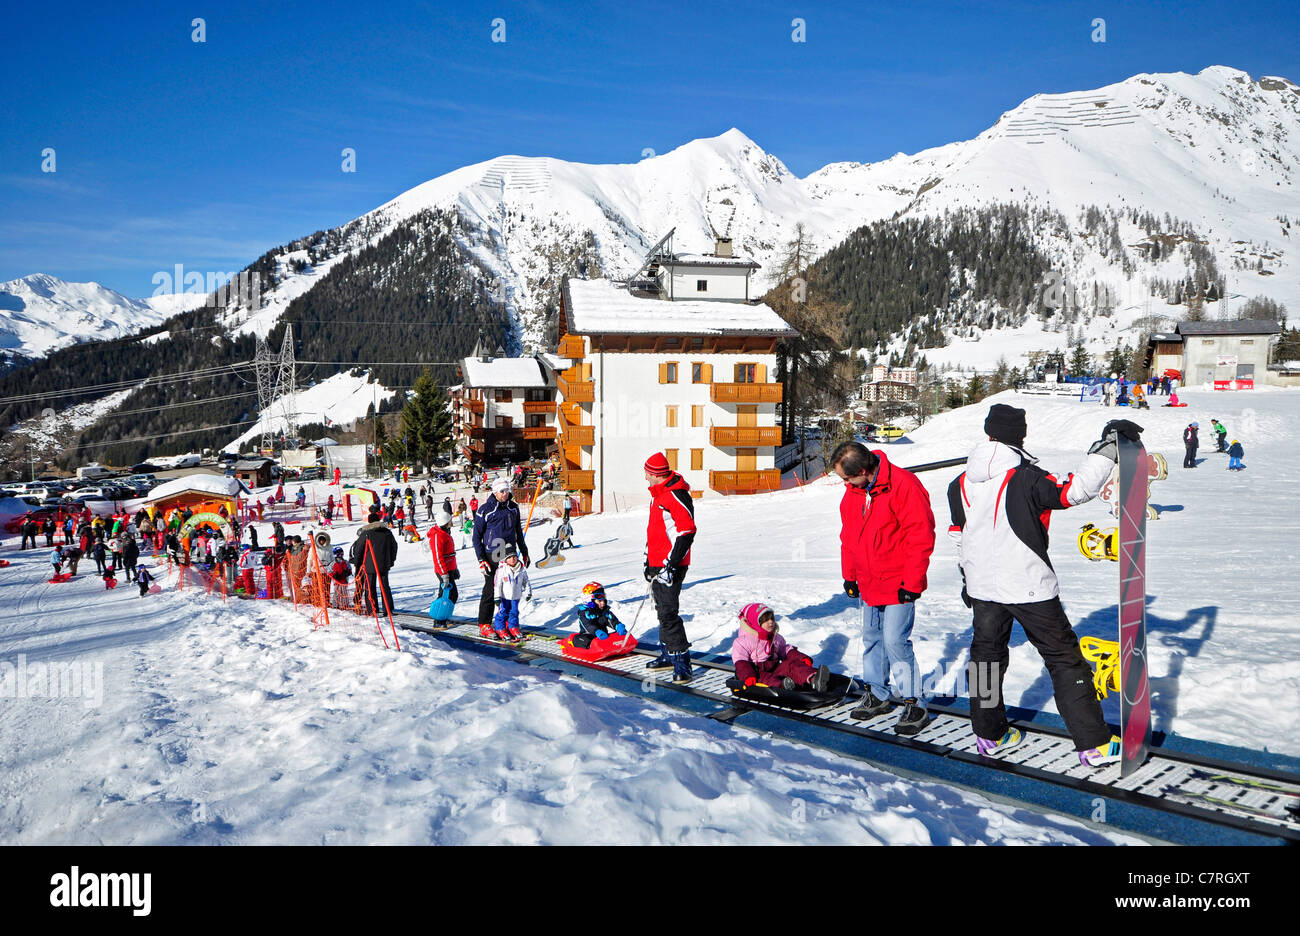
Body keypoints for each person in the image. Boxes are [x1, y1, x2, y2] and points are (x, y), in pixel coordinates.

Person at [948, 404, 1132, 767]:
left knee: (985, 660)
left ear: (989, 434)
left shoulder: (960, 483)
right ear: (1021, 436)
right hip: (1030, 586)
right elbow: (1073, 492)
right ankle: (1094, 744)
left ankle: (989, 733)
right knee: (1064, 660)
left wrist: (967, 576)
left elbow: (959, 536)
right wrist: (1107, 450)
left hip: (983, 588)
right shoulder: (1028, 477)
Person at [833, 440, 936, 735]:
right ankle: (878, 694)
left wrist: (913, 582)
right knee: (872, 638)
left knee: (895, 641)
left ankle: (914, 701)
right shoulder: (853, 493)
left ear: (864, 470)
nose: (844, 483)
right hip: (868, 580)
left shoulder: (904, 485)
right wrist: (850, 575)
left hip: (899, 581)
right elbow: (849, 537)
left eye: (847, 477)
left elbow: (921, 536)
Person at [641, 452, 698, 683]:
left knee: (668, 613)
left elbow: (687, 532)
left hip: (670, 565)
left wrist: (670, 565)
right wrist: (648, 560)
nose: (644, 477)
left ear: (654, 474)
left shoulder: (674, 494)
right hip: (657, 562)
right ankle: (667, 654)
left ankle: (682, 662)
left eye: (646, 473)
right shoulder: (657, 494)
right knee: (661, 611)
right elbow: (655, 532)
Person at [472, 477, 530, 636]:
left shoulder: (513, 508)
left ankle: (504, 622)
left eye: (507, 491)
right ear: (495, 492)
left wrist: (524, 551)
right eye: (502, 491)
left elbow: (518, 531)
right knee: (491, 589)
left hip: (510, 554)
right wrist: (481, 559)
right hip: (492, 554)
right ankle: (484, 623)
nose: (505, 494)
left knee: (510, 589)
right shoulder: (485, 509)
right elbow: (476, 537)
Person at [732, 602, 831, 693]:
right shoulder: (743, 641)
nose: (770, 622)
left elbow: (785, 651)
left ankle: (813, 679)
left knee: (791, 665)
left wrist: (801, 658)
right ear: (754, 623)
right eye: (765, 620)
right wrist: (748, 676)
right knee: (768, 679)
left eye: (772, 618)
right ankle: (784, 687)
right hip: (756, 672)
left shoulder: (775, 638)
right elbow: (741, 662)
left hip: (775, 668)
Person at [350, 509, 398, 617]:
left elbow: (358, 550)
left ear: (369, 522)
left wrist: (356, 563)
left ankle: (372, 609)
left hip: (369, 565)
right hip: (384, 564)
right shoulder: (387, 532)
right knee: (385, 586)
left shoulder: (366, 533)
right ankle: (388, 609)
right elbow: (394, 546)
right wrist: (391, 560)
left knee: (370, 587)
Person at [491, 544, 530, 640]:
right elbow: (497, 585)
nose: (512, 559)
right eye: (509, 558)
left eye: (514, 557)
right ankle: (500, 628)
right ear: (505, 559)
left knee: (514, 612)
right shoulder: (501, 570)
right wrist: (497, 597)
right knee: (502, 612)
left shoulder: (521, 569)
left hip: (516, 596)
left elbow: (526, 582)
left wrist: (528, 592)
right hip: (504, 597)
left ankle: (513, 627)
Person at [573, 582, 626, 649]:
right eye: (599, 601)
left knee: (619, 635)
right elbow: (587, 625)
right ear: (589, 600)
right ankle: (591, 647)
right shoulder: (584, 612)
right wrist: (596, 631)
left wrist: (618, 626)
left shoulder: (604, 611)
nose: (603, 603)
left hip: (603, 637)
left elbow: (611, 620)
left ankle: (608, 645)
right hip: (589, 636)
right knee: (578, 639)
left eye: (603, 600)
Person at [429, 509, 459, 626]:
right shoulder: (437, 535)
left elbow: (450, 554)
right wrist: (444, 574)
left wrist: (454, 569)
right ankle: (439, 619)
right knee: (445, 594)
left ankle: (444, 616)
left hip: (448, 569)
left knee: (451, 594)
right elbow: (438, 556)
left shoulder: (445, 532)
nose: (451, 523)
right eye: (449, 521)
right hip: (443, 570)